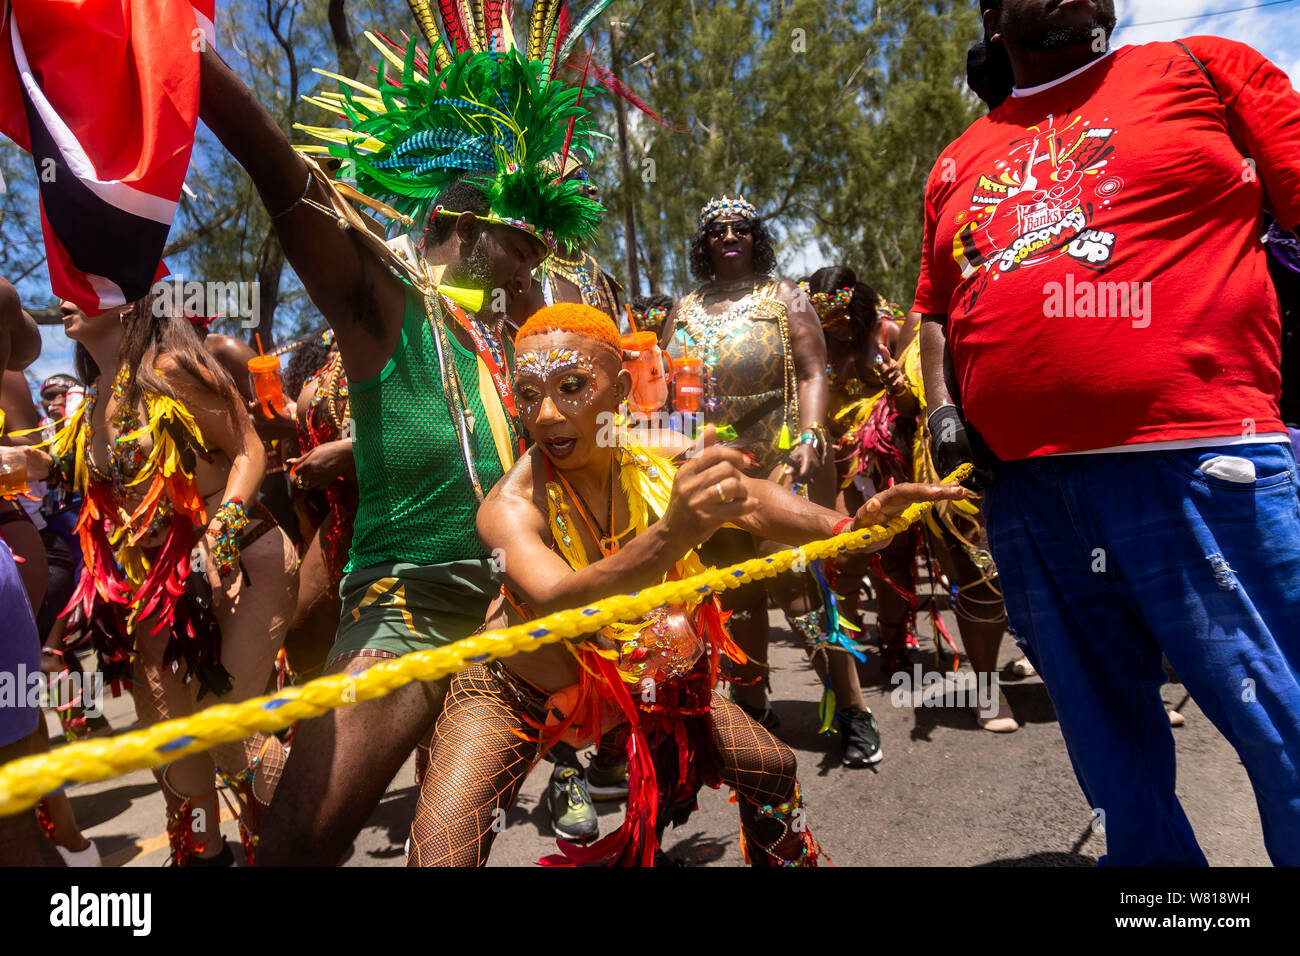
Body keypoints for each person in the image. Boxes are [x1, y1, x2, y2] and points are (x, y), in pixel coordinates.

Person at [198, 0, 613, 864]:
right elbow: (289, 182)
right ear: (460, 232)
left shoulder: (504, 344)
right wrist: (200, 69)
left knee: (444, 852)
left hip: (509, 613)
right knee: (295, 851)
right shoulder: (387, 310)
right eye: (518, 254)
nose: (533, 280)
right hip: (407, 613)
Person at [916, 0, 1300, 864]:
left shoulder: (1204, 69)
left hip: (1203, 467)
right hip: (1028, 500)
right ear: (989, 11)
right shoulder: (955, 163)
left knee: (1288, 733)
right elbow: (934, 312)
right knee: (1115, 766)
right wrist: (945, 410)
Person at [406, 303, 966, 865]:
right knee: (441, 857)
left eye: (571, 386)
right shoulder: (508, 505)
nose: (547, 414)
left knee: (772, 767)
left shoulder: (656, 450)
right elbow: (557, 598)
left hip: (634, 673)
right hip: (517, 689)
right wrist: (671, 536)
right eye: (528, 395)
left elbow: (747, 499)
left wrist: (846, 526)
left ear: (621, 387)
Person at [46, 295, 298, 865]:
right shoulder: (94, 403)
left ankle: (290, 849)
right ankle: (204, 857)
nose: (64, 297)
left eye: (82, 283)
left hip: (239, 568)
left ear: (128, 304)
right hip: (162, 595)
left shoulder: (170, 370)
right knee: (170, 740)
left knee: (228, 729)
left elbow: (249, 449)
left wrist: (221, 534)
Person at [662, 197, 880, 766]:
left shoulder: (785, 297)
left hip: (779, 457)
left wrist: (811, 436)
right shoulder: (683, 307)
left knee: (796, 585)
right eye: (716, 231)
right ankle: (753, 708)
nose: (728, 237)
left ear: (755, 238)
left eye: (740, 229)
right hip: (711, 468)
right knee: (734, 592)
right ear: (704, 244)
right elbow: (663, 391)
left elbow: (812, 371)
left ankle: (852, 708)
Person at [807, 266, 1019, 732]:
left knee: (898, 554)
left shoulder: (885, 332)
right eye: (824, 319)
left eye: (840, 317)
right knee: (844, 554)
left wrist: (896, 387)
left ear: (857, 308)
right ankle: (845, 653)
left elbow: (914, 408)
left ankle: (896, 646)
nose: (834, 327)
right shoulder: (811, 343)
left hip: (892, 463)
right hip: (840, 464)